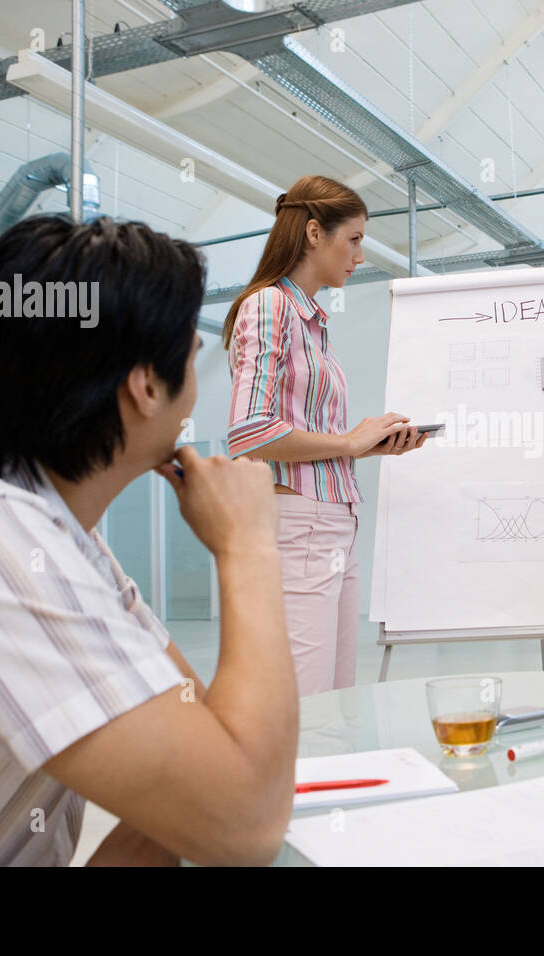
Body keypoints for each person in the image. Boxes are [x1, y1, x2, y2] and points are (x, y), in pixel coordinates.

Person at [0, 215, 298, 866]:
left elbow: (203, 742)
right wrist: (249, 548)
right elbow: (247, 822)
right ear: (145, 387)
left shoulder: (45, 533)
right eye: (193, 359)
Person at [223, 175, 427, 696]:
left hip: (335, 524)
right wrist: (348, 443)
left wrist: (368, 444)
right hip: (300, 525)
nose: (360, 254)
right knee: (309, 703)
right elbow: (249, 432)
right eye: (354, 239)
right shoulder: (269, 306)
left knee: (337, 700)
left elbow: (302, 431)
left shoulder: (312, 320)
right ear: (315, 233)